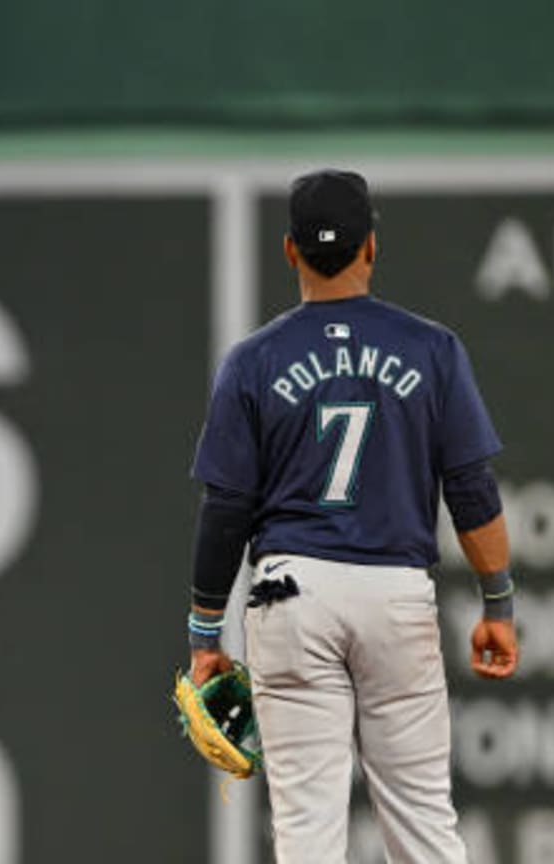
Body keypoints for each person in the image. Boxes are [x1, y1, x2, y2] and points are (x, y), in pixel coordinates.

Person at [184, 169, 519, 863]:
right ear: (371, 248)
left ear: (289, 251)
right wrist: (498, 602)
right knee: (425, 824)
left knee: (308, 834)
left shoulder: (253, 361)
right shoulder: (432, 349)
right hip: (394, 592)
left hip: (291, 595)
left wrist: (205, 630)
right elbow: (472, 491)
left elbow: (227, 508)